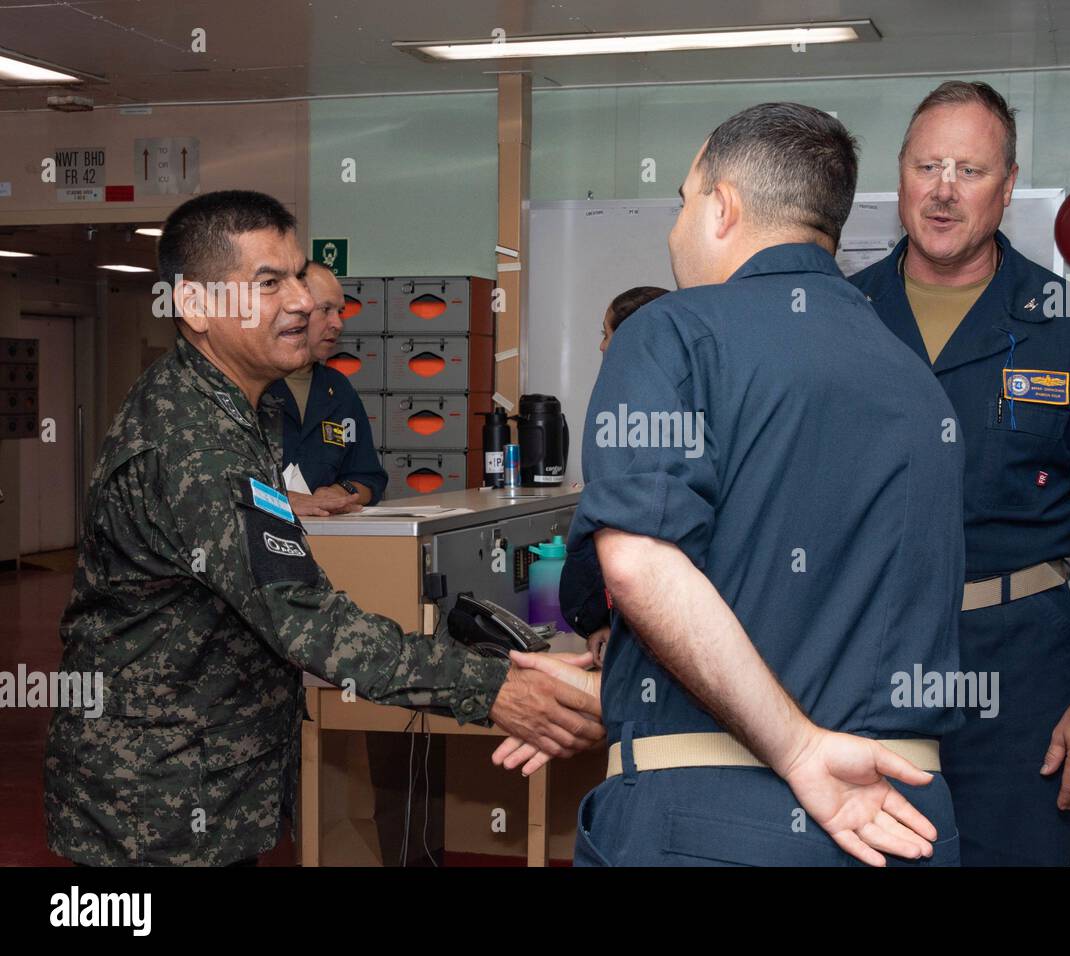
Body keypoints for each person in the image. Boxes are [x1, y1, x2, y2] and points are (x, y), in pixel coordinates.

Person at [44, 190, 602, 866]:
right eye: (268, 283)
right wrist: (496, 689)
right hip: (154, 806)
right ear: (194, 306)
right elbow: (309, 621)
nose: (303, 302)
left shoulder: (237, 411)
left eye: (299, 276)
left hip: (205, 783)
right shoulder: (191, 444)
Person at [498, 103, 967, 867]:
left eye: (683, 200)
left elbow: (642, 564)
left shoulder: (673, 333)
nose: (676, 225)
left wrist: (800, 749)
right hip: (904, 817)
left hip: (717, 822)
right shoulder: (913, 374)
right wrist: (626, 676)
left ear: (723, 205)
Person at [847, 81, 1070, 866]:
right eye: (928, 167)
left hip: (1021, 669)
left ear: (1009, 186)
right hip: (864, 659)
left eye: (971, 171)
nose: (944, 191)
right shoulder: (842, 318)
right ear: (901, 178)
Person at [562, 285, 670, 665]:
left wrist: (596, 613)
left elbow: (609, 516)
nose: (602, 347)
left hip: (642, 613)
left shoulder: (622, 411)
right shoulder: (688, 396)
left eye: (605, 334)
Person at [264, 261, 388, 518]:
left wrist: (339, 492)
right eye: (326, 310)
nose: (338, 323)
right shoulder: (250, 383)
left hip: (327, 542)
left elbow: (368, 476)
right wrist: (281, 501)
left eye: (340, 311)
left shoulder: (338, 390)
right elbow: (219, 484)